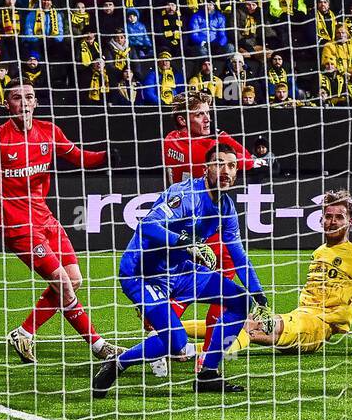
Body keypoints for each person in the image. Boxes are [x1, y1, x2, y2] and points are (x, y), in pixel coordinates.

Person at [93, 144, 264, 397]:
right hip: (143, 274)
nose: (225, 170)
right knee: (177, 343)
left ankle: (207, 374)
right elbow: (147, 226)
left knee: (240, 301)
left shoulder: (226, 207)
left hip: (181, 272)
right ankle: (118, 363)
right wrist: (186, 243)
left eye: (231, 165)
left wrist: (260, 297)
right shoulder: (184, 195)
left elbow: (238, 255)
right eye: (218, 163)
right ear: (206, 168)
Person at [0, 80, 120, 365]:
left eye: (29, 97)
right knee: (63, 283)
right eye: (17, 98)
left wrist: (104, 157)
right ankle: (99, 345)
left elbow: (76, 156)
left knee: (74, 279)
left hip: (45, 218)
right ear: (7, 105)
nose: (25, 103)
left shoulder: (49, 132)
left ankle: (24, 332)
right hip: (18, 226)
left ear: (36, 102)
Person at [159, 91, 264, 372]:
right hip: (204, 225)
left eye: (208, 112)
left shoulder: (170, 140)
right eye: (200, 114)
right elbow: (244, 161)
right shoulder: (207, 146)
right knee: (225, 285)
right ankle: (205, 358)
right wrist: (234, 144)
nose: (207, 118)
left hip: (178, 223)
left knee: (181, 287)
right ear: (183, 119)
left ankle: (161, 334)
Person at [236, 190, 352, 353]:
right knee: (235, 321)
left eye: (339, 217)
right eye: (329, 216)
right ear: (322, 219)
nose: (333, 222)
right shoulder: (319, 252)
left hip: (316, 327)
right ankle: (191, 344)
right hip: (300, 317)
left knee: (253, 327)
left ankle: (203, 359)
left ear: (350, 221)